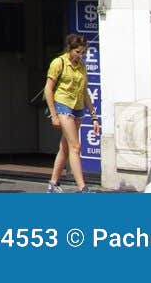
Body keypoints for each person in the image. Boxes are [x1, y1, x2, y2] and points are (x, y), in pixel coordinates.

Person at [44, 33, 98, 193]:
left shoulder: (82, 66)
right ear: (70, 49)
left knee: (65, 148)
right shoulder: (58, 63)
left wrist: (94, 116)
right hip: (63, 105)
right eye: (77, 52)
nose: (80, 55)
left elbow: (85, 92)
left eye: (83, 52)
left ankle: (53, 184)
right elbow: (48, 89)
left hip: (78, 107)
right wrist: (54, 115)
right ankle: (83, 188)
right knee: (76, 146)